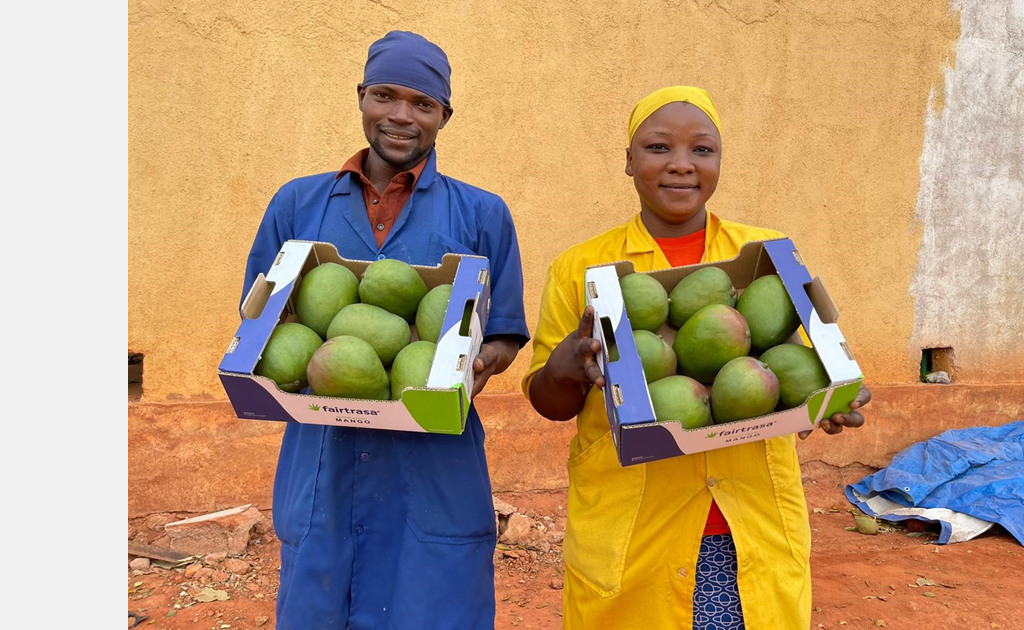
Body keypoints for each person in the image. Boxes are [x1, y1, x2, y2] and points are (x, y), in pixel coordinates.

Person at [521, 85, 872, 630]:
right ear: (629, 160)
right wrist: (564, 368)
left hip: (748, 524)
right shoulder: (582, 268)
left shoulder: (763, 257)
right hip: (635, 527)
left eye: (702, 150)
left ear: (719, 162)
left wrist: (829, 396)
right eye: (659, 148)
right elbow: (548, 401)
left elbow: (785, 364)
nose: (681, 165)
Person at [240, 30, 529, 630]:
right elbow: (260, 320)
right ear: (361, 98)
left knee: (435, 605)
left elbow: (504, 333)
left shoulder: (482, 213)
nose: (401, 116)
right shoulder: (298, 203)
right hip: (322, 456)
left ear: (445, 115)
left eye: (423, 104)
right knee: (320, 602)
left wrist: (480, 363)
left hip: (433, 459)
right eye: (385, 96)